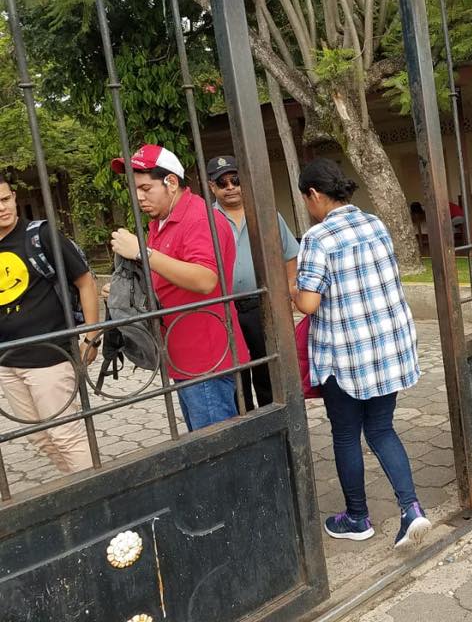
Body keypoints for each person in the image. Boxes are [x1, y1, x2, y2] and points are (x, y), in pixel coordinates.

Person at [292, 158, 430, 549]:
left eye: (307, 199)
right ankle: (411, 510)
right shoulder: (374, 224)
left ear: (315, 195)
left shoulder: (318, 239)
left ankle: (356, 517)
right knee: (382, 429)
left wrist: (292, 289)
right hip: (387, 348)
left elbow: (309, 304)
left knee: (348, 434)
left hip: (345, 355)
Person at [109, 145, 249, 431]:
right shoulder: (162, 221)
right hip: (183, 353)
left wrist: (141, 252)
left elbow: (205, 278)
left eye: (146, 188)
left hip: (206, 359)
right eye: (135, 189)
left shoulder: (198, 218)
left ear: (171, 182)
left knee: (216, 449)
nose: (138, 196)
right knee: (203, 443)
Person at [0, 176, 98, 473]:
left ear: (14, 197)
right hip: (7, 361)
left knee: (66, 435)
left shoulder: (39, 235)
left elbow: (86, 282)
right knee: (40, 439)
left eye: (4, 199)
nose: (1, 208)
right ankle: (76, 489)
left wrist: (91, 337)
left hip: (50, 357)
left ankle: (99, 500)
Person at [206, 155, 299, 410]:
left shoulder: (265, 214)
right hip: (223, 309)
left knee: (268, 370)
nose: (230, 187)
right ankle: (247, 430)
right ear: (212, 187)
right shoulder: (206, 220)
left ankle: (277, 427)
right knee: (236, 377)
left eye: (235, 180)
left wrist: (290, 291)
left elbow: (289, 254)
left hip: (262, 306)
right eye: (222, 182)